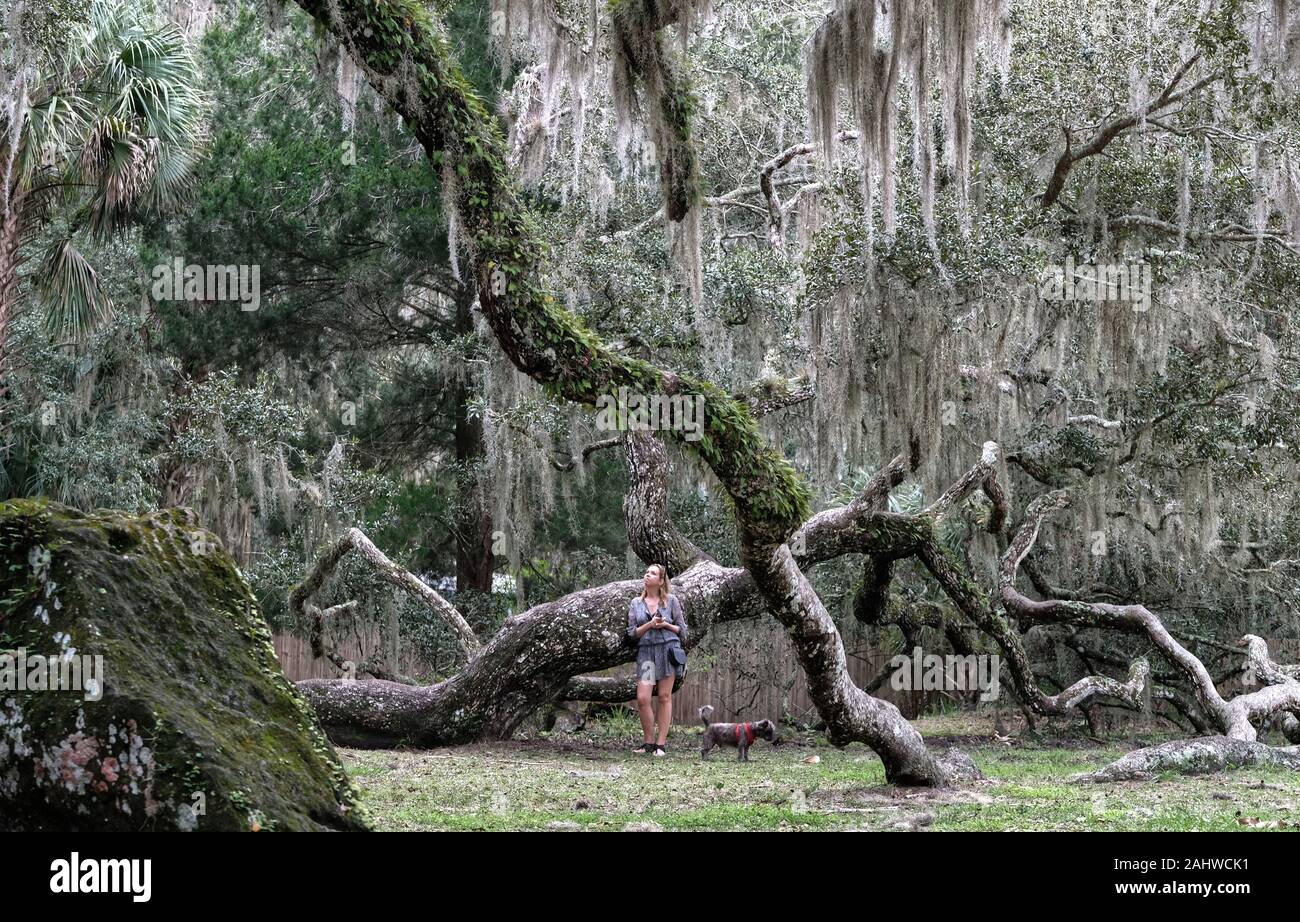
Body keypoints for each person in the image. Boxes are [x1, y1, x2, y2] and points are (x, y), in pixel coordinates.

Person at [626, 563, 688, 756]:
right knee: (643, 698)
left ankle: (660, 744)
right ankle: (648, 742)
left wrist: (665, 625)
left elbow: (683, 631)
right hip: (647, 655)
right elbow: (631, 633)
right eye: (646, 572)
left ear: (661, 580)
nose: (647, 575)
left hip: (667, 651)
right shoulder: (636, 603)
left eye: (652, 573)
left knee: (664, 697)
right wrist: (650, 625)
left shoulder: (672, 601)